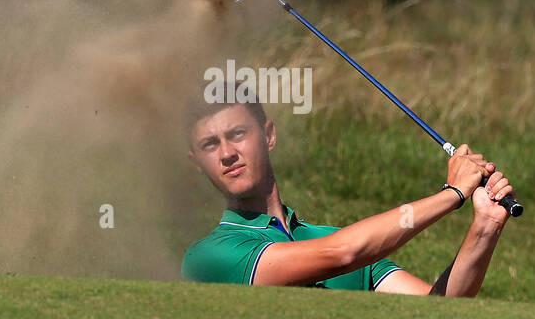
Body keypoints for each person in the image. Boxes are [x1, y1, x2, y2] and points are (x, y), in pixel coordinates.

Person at [181, 100, 517, 295]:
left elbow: (440, 308)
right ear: (196, 162)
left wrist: (485, 226)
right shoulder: (209, 256)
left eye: (237, 134)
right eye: (210, 145)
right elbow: (342, 254)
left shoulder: (330, 239)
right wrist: (453, 194)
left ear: (269, 135)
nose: (226, 153)